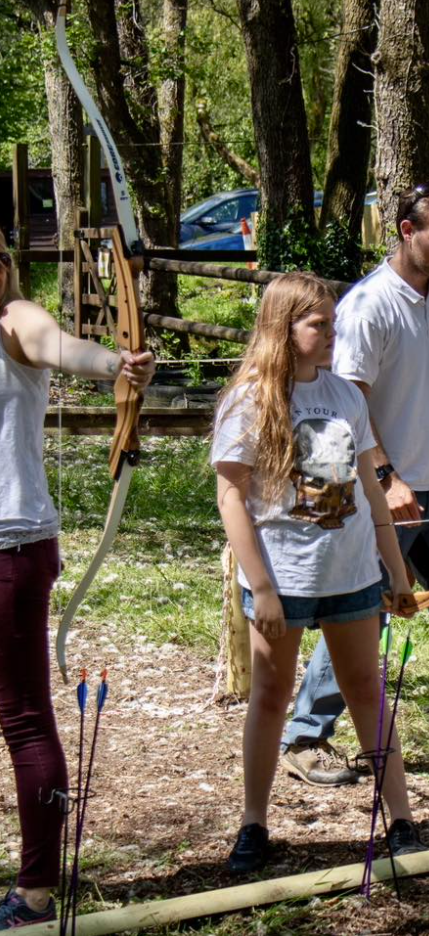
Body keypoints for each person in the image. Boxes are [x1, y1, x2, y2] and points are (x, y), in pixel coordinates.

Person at [280, 181, 429, 785]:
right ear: (407, 231)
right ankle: (306, 735)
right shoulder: (367, 305)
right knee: (365, 612)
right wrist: (385, 477)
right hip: (377, 491)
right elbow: (348, 401)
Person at [212, 272, 425, 875]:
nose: (332, 334)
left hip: (352, 574)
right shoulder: (250, 399)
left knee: (365, 689)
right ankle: (254, 824)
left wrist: (397, 572)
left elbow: (372, 493)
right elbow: (232, 498)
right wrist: (263, 587)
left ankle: (401, 819)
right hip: (284, 581)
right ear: (284, 328)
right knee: (273, 696)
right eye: (319, 324)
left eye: (331, 323)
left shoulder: (346, 395)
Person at [0, 236, 155, 928]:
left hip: (10, 547)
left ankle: (34, 893)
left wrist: (116, 363)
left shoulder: (15, 321)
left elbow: (63, 346)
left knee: (24, 719)